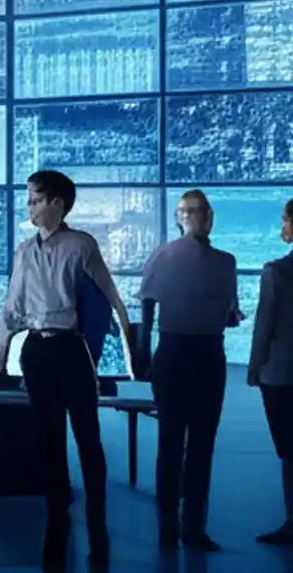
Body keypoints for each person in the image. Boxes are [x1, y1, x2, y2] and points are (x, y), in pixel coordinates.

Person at [0, 170, 133, 570]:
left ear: (57, 203)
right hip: (36, 348)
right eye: (29, 199)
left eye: (35, 199)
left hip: (70, 347)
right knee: (48, 432)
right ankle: (57, 499)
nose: (29, 206)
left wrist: (129, 349)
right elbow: (11, 308)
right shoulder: (23, 251)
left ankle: (96, 505)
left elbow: (108, 294)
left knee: (86, 430)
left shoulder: (81, 245)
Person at [139, 190, 239, 551]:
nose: (204, 217)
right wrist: (142, 354)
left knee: (199, 444)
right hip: (181, 351)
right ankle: (172, 525)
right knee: (172, 442)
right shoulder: (165, 257)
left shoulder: (225, 262)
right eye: (196, 212)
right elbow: (147, 309)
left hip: (205, 353)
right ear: (182, 216)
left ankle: (191, 526)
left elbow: (230, 314)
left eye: (207, 211)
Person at [248, 196, 293, 546]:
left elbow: (265, 326)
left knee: (290, 451)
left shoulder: (276, 272)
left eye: (285, 220)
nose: (282, 228)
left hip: (281, 374)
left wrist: (253, 369)